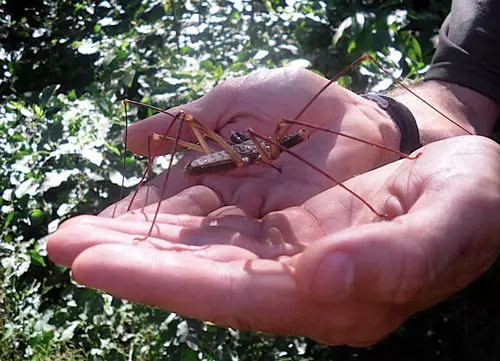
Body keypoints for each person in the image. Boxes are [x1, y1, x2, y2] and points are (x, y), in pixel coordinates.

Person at [47, 0, 500, 346]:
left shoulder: (283, 142)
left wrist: (383, 126)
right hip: (225, 156)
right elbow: (472, 66)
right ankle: (144, 224)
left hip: (245, 154)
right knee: (179, 126)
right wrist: (403, 116)